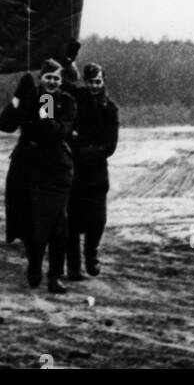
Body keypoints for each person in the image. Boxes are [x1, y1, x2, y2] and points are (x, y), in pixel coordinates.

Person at [0, 57, 76, 294]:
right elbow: (5, 125)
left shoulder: (66, 101)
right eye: (48, 78)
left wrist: (43, 106)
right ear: (41, 78)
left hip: (55, 169)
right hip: (28, 167)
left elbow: (55, 132)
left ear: (61, 81)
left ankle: (54, 276)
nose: (52, 82)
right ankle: (34, 264)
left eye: (56, 78)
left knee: (57, 223)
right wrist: (17, 97)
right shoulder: (29, 97)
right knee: (30, 222)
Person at [67, 62, 119, 279]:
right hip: (73, 173)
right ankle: (73, 267)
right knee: (71, 221)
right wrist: (69, 62)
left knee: (97, 221)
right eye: (90, 82)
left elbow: (110, 146)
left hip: (96, 173)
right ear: (85, 82)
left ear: (103, 82)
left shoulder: (110, 108)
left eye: (98, 82)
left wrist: (81, 150)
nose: (94, 86)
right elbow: (58, 84)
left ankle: (91, 255)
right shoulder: (76, 98)